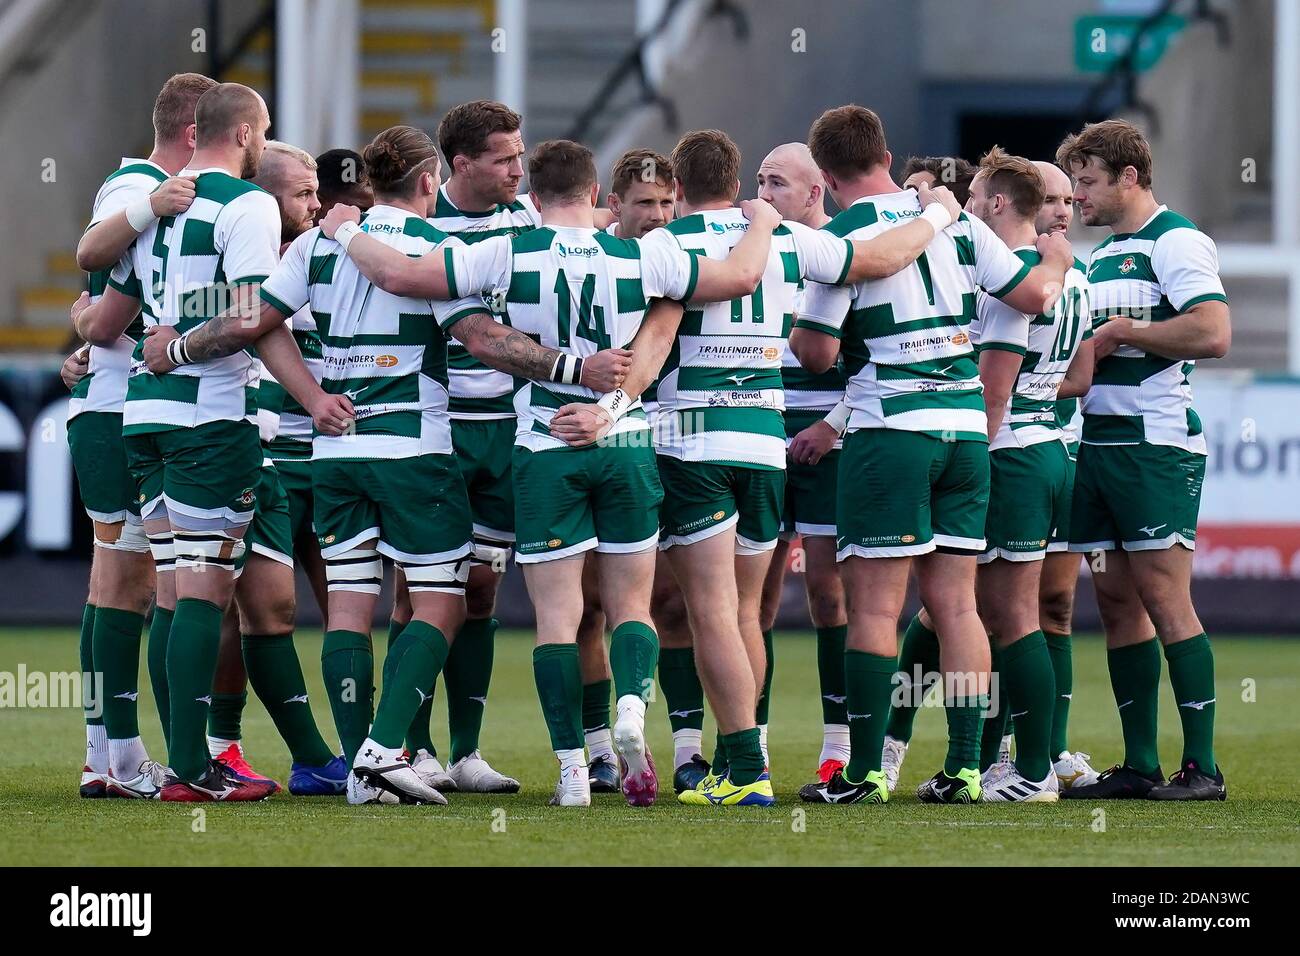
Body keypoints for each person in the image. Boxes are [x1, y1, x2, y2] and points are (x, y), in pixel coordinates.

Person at [791, 105, 1072, 806]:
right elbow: (1036, 294)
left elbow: (816, 352)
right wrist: (1060, 255)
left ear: (825, 177)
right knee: (956, 607)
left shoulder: (845, 236)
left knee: (876, 612)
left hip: (891, 429)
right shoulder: (962, 224)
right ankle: (967, 767)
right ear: (886, 155)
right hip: (966, 429)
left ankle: (859, 775)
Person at [1056, 120, 1230, 801]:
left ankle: (1204, 768)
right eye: (1074, 182)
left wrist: (1125, 331)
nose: (1077, 196)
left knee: (1164, 597)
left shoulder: (1176, 240)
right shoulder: (1100, 256)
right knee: (1116, 600)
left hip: (1154, 445)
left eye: (1089, 181)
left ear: (1130, 177)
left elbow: (1213, 332)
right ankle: (1138, 764)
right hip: (1095, 446)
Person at [66, 71, 215, 798]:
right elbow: (92, 258)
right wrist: (94, 329)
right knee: (127, 585)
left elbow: (92, 307)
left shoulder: (139, 189)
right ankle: (118, 760)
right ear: (195, 134)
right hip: (124, 410)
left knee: (112, 587)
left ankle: (106, 753)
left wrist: (89, 329)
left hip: (114, 405)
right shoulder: (141, 190)